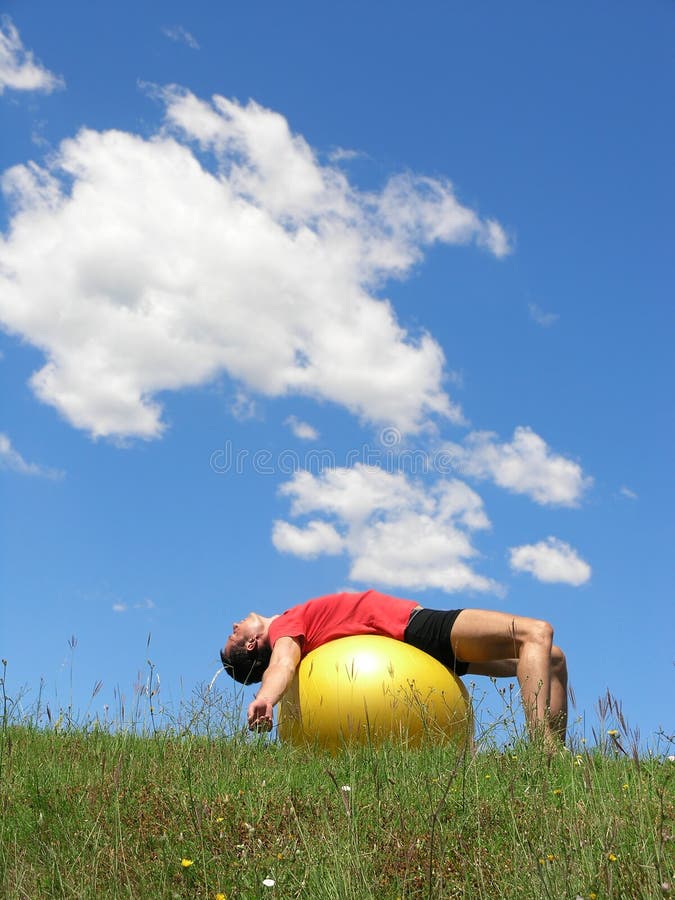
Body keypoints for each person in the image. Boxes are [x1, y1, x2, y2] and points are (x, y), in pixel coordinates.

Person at [220, 589, 568, 747]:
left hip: (411, 658)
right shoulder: (284, 629)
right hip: (412, 630)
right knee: (535, 631)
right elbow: (282, 664)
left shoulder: (293, 629)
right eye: (234, 633)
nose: (235, 624)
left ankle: (558, 759)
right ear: (251, 643)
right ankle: (545, 750)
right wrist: (267, 697)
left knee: (553, 658)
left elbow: (285, 663)